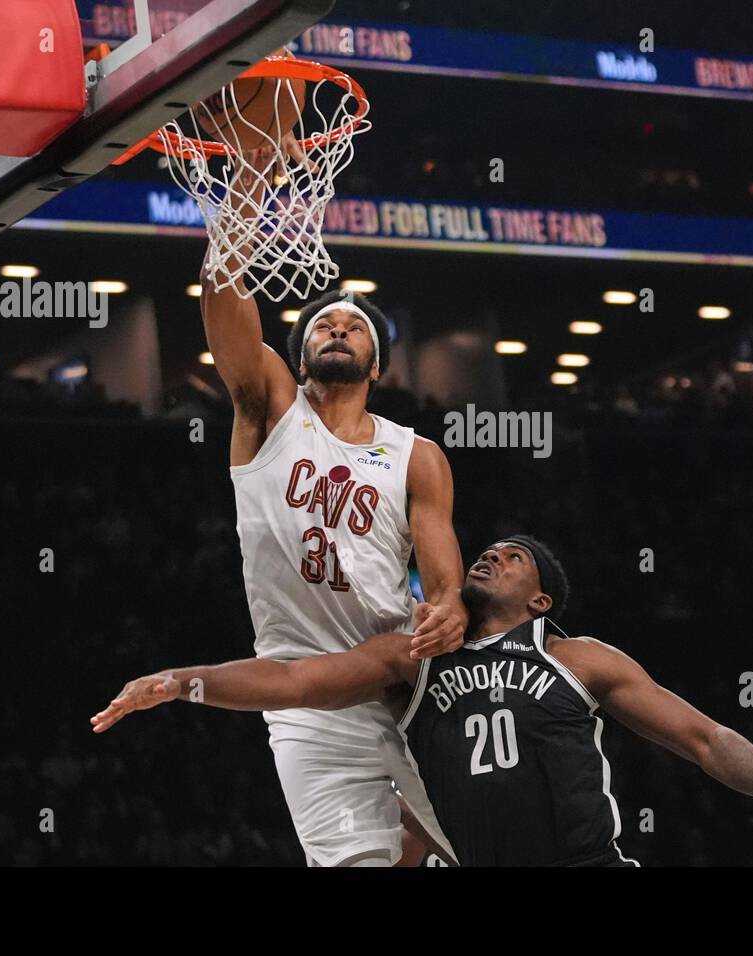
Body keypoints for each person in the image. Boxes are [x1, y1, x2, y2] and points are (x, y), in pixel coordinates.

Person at [93, 537, 753, 866]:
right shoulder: (411, 660)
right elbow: (292, 683)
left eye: (514, 557)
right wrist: (180, 681)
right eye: (490, 549)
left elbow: (702, 737)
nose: (492, 555)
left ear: (540, 597)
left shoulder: (579, 658)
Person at [195, 130, 468, 866]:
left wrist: (447, 608)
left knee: (489, 848)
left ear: (376, 362)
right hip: (303, 696)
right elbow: (223, 294)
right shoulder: (268, 411)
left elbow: (443, 581)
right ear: (296, 356)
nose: (338, 327)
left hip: (403, 683)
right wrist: (250, 183)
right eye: (323, 324)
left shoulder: (419, 454)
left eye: (354, 325)